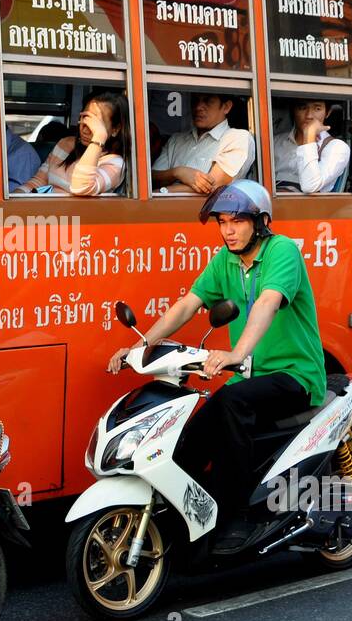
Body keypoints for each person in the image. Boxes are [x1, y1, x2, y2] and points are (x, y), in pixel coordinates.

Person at [105, 180, 327, 555]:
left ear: (261, 222)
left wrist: (236, 353)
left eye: (237, 221)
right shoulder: (224, 261)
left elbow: (267, 303)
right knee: (194, 431)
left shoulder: (282, 251)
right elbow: (187, 305)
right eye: (222, 221)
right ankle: (186, 517)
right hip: (252, 378)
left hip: (295, 375)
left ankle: (236, 513)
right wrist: (140, 347)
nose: (228, 230)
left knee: (231, 403)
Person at [15, 90, 127, 196]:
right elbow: (39, 181)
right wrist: (15, 198)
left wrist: (98, 139)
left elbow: (81, 188)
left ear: (115, 129)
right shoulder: (65, 144)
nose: (84, 130)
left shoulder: (115, 163)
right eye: (85, 119)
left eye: (95, 125)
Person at [150, 92, 255, 194]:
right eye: (195, 100)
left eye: (208, 100)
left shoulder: (237, 138)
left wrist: (158, 193)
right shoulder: (176, 139)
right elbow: (152, 179)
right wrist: (177, 172)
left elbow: (213, 187)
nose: (198, 107)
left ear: (226, 107)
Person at [271, 99, 351, 194]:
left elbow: (310, 186)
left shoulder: (337, 147)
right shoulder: (275, 142)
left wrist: (309, 137)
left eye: (317, 109)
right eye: (302, 108)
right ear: (293, 111)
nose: (309, 116)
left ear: (327, 113)